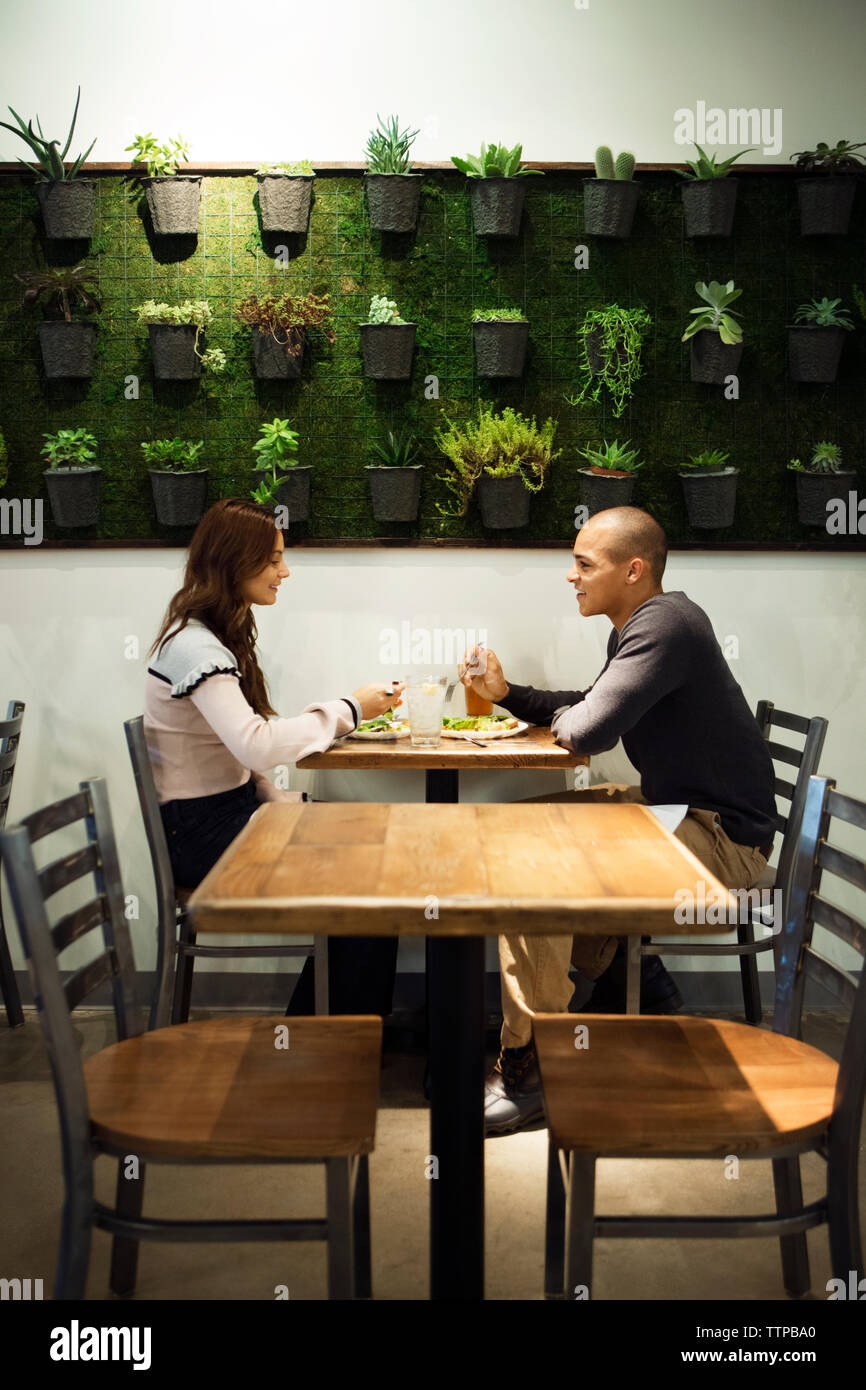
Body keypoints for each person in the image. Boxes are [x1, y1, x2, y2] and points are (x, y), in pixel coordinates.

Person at [460, 506, 777, 1136]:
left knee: (535, 863)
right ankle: (632, 980)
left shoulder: (667, 625)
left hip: (724, 845)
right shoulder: (644, 624)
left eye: (583, 564)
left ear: (633, 570)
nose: (570, 577)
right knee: (515, 832)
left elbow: (589, 728)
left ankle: (530, 1065)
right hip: (680, 816)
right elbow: (587, 706)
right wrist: (508, 694)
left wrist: (580, 716)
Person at [143, 497, 404, 1017]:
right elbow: (254, 743)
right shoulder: (197, 650)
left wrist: (277, 798)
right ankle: (328, 1034)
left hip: (220, 816)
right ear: (233, 560)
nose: (284, 571)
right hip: (200, 834)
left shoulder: (210, 638)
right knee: (370, 876)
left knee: (378, 855)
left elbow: (235, 753)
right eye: (273, 559)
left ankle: (336, 1027)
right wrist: (351, 708)